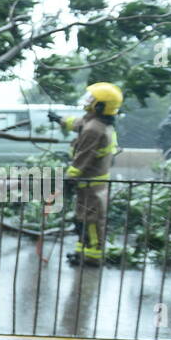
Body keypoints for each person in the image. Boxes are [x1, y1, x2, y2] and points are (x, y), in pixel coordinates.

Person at [50, 82, 122, 267]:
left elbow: (82, 158)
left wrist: (68, 179)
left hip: (91, 185)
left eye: (92, 99)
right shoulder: (96, 122)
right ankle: (82, 253)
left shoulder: (94, 129)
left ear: (100, 105)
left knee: (91, 221)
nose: (87, 101)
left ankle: (92, 257)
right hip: (89, 185)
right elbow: (78, 123)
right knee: (82, 220)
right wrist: (59, 119)